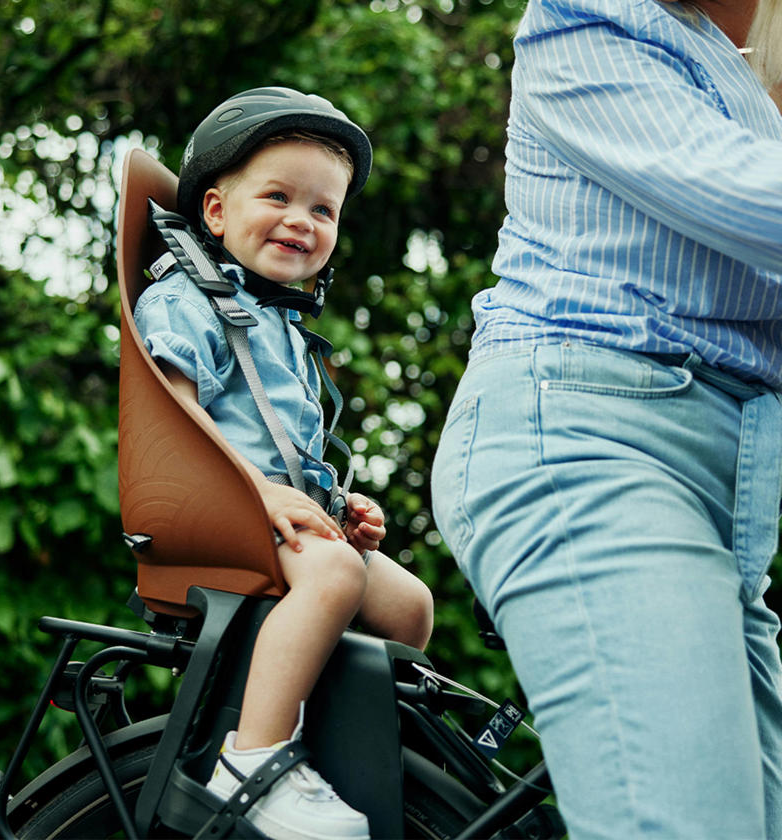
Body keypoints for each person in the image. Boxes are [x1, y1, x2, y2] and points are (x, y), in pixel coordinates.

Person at [431, 1, 782, 838]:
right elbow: (751, 203)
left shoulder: (733, 65)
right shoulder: (585, 17)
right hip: (591, 441)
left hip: (729, 494)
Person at [134, 87, 434, 840]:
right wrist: (256, 495)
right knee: (331, 576)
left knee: (408, 606)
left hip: (270, 511)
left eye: (324, 210)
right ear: (214, 212)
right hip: (214, 507)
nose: (303, 220)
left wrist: (336, 511)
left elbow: (286, 447)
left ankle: (328, 730)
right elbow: (174, 419)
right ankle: (255, 760)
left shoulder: (279, 322)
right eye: (278, 196)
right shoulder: (188, 302)